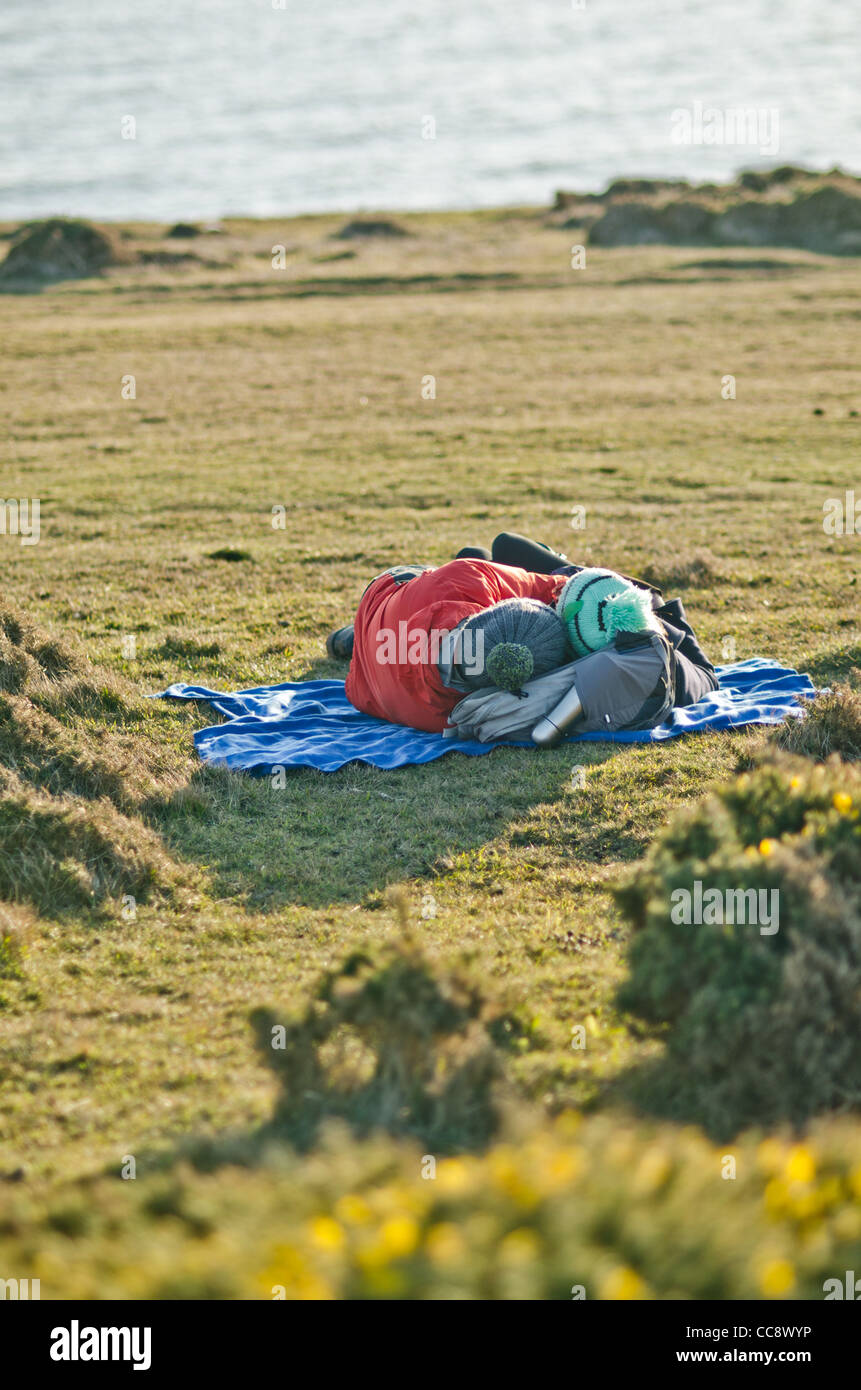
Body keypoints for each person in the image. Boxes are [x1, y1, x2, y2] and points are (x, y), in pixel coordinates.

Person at [329, 531, 717, 732]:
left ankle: (355, 636)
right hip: (378, 630)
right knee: (489, 550)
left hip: (386, 602)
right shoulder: (464, 714)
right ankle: (354, 638)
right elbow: (557, 589)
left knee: (479, 555)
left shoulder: (456, 715)